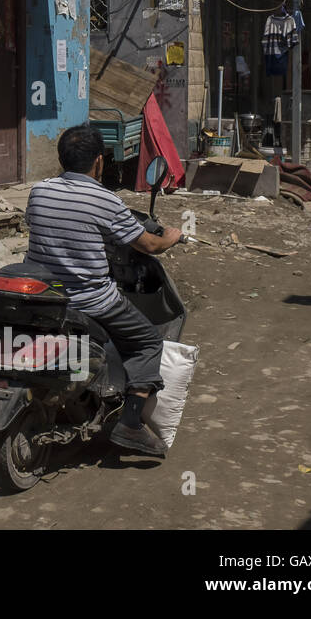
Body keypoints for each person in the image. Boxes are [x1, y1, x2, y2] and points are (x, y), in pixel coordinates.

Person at [25, 124, 183, 457]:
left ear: (61, 158)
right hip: (89, 301)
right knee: (148, 342)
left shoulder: (39, 191)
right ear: (99, 161)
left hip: (44, 297)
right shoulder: (105, 200)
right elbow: (150, 245)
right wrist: (173, 235)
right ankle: (130, 424)